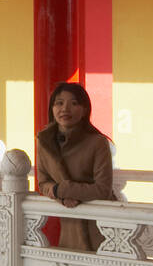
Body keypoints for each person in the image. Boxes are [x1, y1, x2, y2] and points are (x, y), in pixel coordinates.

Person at [35, 81, 114, 251]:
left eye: (74, 103)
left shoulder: (98, 142)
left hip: (100, 224)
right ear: (52, 108)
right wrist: (60, 196)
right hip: (70, 223)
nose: (65, 109)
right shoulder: (45, 142)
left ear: (85, 109)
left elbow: (103, 189)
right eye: (59, 103)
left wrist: (62, 190)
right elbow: (43, 182)